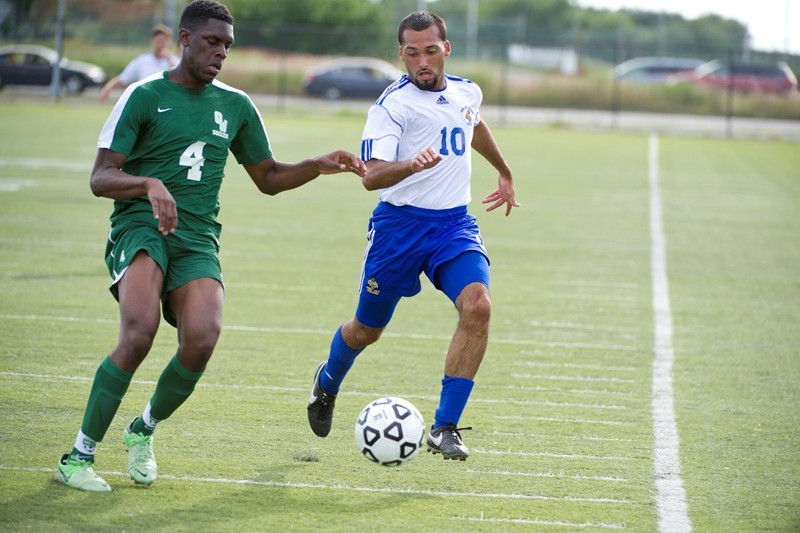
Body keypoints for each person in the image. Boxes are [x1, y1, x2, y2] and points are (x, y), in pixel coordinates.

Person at [56, 0, 366, 492]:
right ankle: (78, 456)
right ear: (184, 39)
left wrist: (316, 164)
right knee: (139, 332)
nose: (220, 52)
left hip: (197, 237)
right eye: (211, 42)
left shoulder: (236, 106)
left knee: (201, 339)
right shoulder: (142, 95)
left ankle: (143, 430)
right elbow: (101, 178)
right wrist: (149, 185)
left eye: (227, 45)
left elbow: (267, 177)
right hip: (140, 227)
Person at [307, 11, 518, 461]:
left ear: (446, 48)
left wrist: (502, 169)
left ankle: (446, 426)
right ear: (401, 54)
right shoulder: (390, 106)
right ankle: (327, 383)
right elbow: (371, 177)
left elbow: (472, 122)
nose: (421, 60)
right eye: (411, 52)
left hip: (453, 227)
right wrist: (412, 165)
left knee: (477, 304)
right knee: (367, 329)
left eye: (430, 50)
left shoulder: (466, 90)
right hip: (398, 229)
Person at [98, 23, 180, 102]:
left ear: (169, 42)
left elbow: (181, 79)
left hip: (167, 102)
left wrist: (169, 59)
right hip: (146, 101)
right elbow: (124, 78)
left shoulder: (176, 61)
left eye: (163, 41)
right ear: (152, 40)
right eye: (157, 40)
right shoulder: (142, 60)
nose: (160, 44)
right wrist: (108, 88)